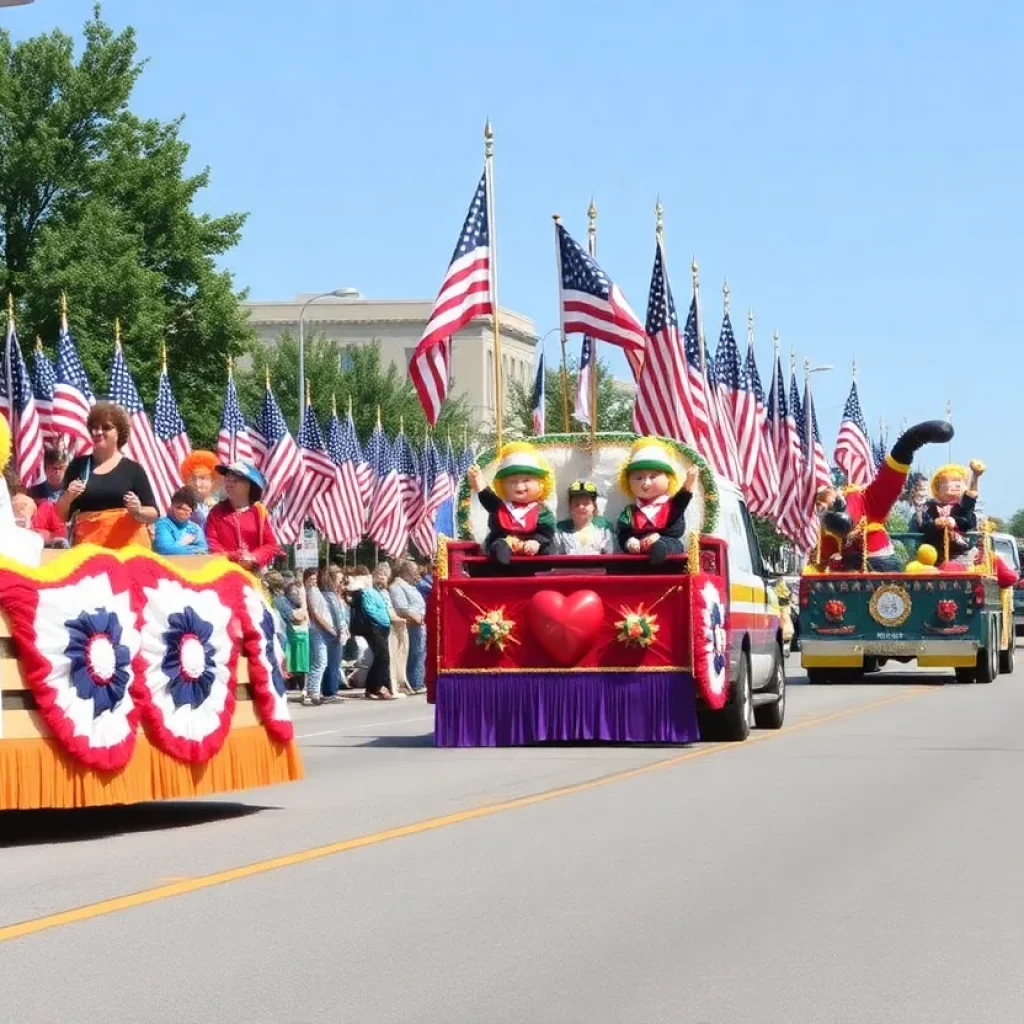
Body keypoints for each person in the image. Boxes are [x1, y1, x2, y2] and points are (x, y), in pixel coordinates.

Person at [814, 420, 954, 572]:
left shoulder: (868, 501)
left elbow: (890, 478)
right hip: (847, 573)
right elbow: (824, 556)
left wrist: (910, 441)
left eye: (835, 504)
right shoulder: (830, 533)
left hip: (882, 567)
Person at [56, 402, 159, 549]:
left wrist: (138, 510)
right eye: (94, 428)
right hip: (89, 551)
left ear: (119, 432)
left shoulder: (133, 469)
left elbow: (153, 513)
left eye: (106, 427)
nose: (98, 432)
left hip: (128, 551)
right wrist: (67, 496)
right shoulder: (78, 466)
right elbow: (61, 515)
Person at [467, 441, 555, 565]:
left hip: (533, 558)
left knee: (547, 547)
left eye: (526, 480)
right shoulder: (501, 507)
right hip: (505, 546)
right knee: (497, 545)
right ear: (502, 486)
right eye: (512, 482)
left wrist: (536, 542)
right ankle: (502, 557)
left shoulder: (542, 511)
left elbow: (546, 532)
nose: (519, 486)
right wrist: (478, 482)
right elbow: (488, 499)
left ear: (540, 484)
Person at [616, 438, 699, 564]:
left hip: (665, 544)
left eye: (653, 477)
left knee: (674, 544)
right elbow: (623, 533)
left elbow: (676, 528)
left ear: (668, 479)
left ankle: (659, 549)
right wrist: (630, 542)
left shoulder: (670, 506)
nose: (646, 483)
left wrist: (688, 485)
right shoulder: (630, 512)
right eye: (639, 478)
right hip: (637, 551)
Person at [205, 459, 280, 571]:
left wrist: (254, 557)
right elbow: (211, 542)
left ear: (249, 485)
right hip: (224, 571)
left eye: (235, 481)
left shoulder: (259, 512)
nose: (229, 484)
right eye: (227, 480)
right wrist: (231, 557)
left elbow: (271, 545)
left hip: (253, 572)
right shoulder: (216, 512)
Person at [913, 461, 983, 562]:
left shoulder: (962, 507)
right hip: (933, 556)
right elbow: (922, 526)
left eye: (960, 482)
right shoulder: (929, 508)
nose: (957, 485)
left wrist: (954, 521)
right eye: (953, 481)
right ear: (938, 486)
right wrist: (935, 523)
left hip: (960, 555)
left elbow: (968, 520)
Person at [347, 566, 394, 700]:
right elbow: (369, 610)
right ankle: (377, 687)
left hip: (381, 626)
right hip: (375, 627)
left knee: (381, 657)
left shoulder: (372, 591)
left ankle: (374, 687)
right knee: (382, 657)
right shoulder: (365, 592)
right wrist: (381, 621)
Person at [390, 558, 427, 694]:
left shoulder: (410, 586)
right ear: (406, 572)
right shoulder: (396, 586)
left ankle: (417, 680)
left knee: (419, 653)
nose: (416, 574)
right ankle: (414, 683)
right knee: (413, 653)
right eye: (414, 571)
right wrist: (414, 616)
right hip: (410, 625)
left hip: (419, 625)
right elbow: (401, 607)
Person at [303, 566, 338, 706]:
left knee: (316, 661)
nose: (313, 581)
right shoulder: (311, 591)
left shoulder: (317, 590)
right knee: (320, 662)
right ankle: (314, 692)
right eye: (310, 578)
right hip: (317, 630)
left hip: (320, 629)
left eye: (315, 578)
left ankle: (312, 690)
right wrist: (329, 628)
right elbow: (315, 614)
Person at [553, 480, 616, 554]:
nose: (581, 507)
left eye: (586, 503)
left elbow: (610, 557)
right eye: (576, 504)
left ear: (594, 506)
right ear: (570, 508)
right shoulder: (561, 532)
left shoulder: (604, 530)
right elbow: (555, 558)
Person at [153, 487, 209, 556]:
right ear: (172, 506)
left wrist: (177, 547)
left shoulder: (195, 529)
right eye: (178, 507)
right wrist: (182, 543)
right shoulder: (163, 524)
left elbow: (203, 550)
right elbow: (164, 549)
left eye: (185, 509)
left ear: (191, 511)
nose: (181, 511)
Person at [321, 565, 350, 697]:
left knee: (333, 663)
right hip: (333, 633)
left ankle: (330, 689)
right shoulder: (330, 596)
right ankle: (331, 691)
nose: (341, 583)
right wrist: (340, 630)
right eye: (339, 580)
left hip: (336, 631)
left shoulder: (333, 595)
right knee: (333, 663)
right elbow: (337, 616)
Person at [180, 450, 219, 527]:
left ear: (212, 481)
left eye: (202, 478)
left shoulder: (219, 506)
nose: (197, 483)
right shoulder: (183, 504)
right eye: (193, 479)